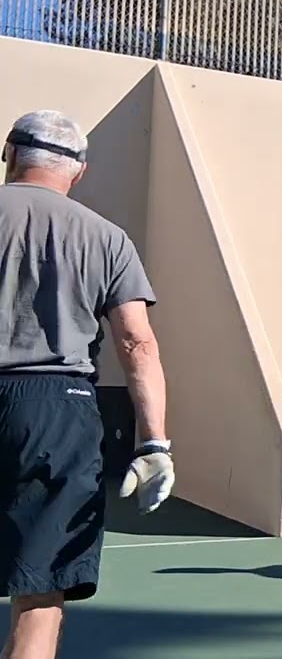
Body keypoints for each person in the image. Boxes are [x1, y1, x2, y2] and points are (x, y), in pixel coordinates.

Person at [1, 110, 176, 658]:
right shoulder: (107, 238)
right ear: (78, 172)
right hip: (56, 413)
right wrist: (154, 444)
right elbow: (136, 344)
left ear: (9, 153)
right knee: (41, 589)